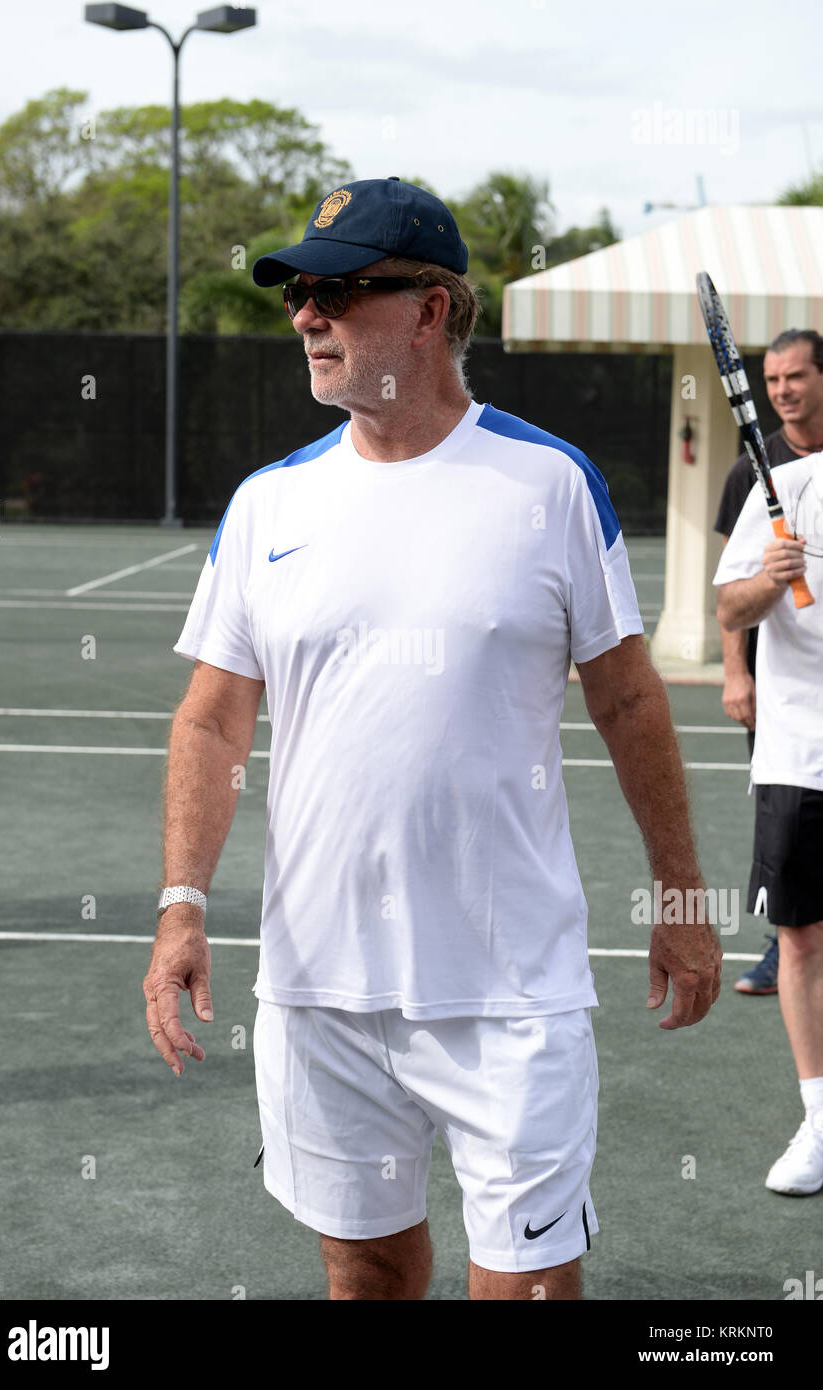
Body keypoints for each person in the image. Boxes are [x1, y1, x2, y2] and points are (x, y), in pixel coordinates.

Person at [143, 177, 722, 1300]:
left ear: (432, 309)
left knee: (528, 1289)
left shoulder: (549, 483)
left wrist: (684, 901)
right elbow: (213, 715)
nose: (307, 315)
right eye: (298, 294)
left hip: (509, 989)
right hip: (317, 986)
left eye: (339, 291)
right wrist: (181, 904)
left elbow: (628, 702)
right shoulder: (268, 502)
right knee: (363, 1272)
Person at [714, 444, 823, 1194]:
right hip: (800, 751)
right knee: (800, 938)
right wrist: (770, 578)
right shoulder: (785, 485)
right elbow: (728, 606)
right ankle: (819, 1120)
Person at [715, 331, 823, 995]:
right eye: (771, 379)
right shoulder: (750, 470)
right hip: (783, 695)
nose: (781, 390)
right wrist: (735, 671)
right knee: (786, 837)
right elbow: (728, 583)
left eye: (794, 377)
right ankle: (778, 946)